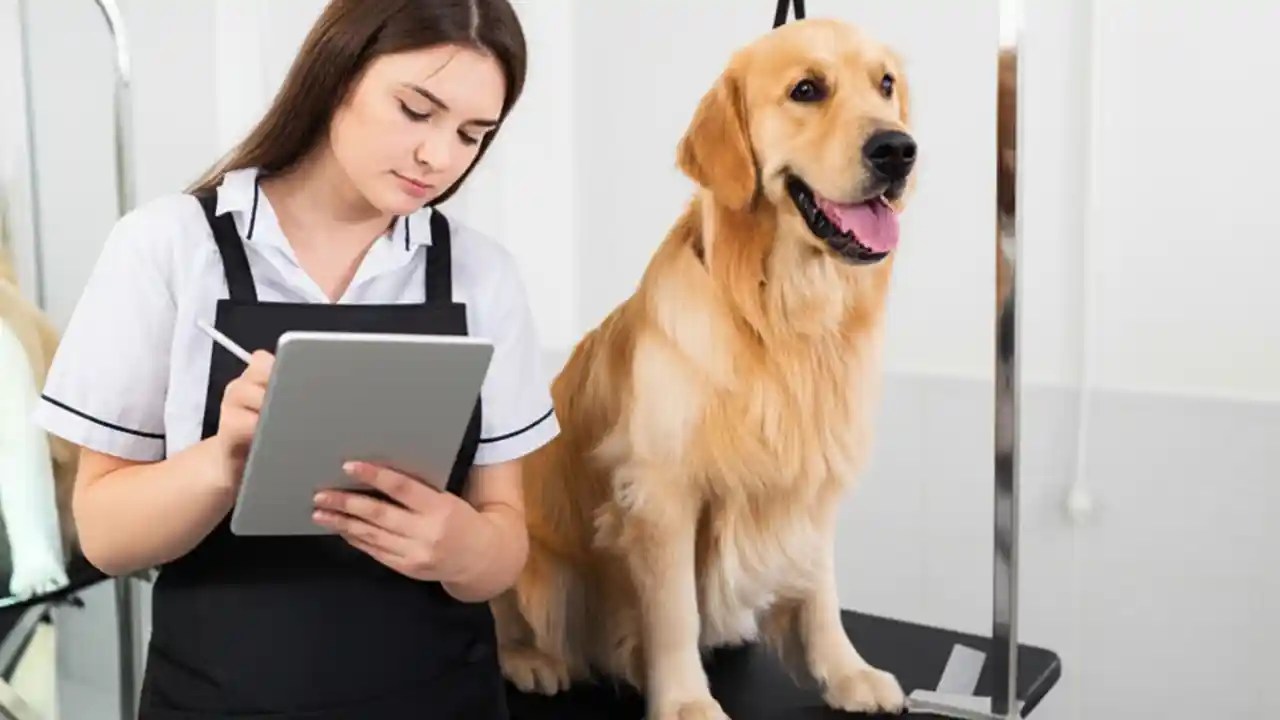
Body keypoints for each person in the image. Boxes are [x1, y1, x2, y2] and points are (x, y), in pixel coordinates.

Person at [33, 0, 558, 716]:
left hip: (440, 697)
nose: (439, 157)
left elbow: (505, 536)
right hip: (218, 699)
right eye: (415, 110)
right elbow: (103, 536)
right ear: (338, 73)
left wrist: (460, 547)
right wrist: (223, 461)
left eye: (472, 135)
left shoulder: (479, 275)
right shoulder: (170, 248)